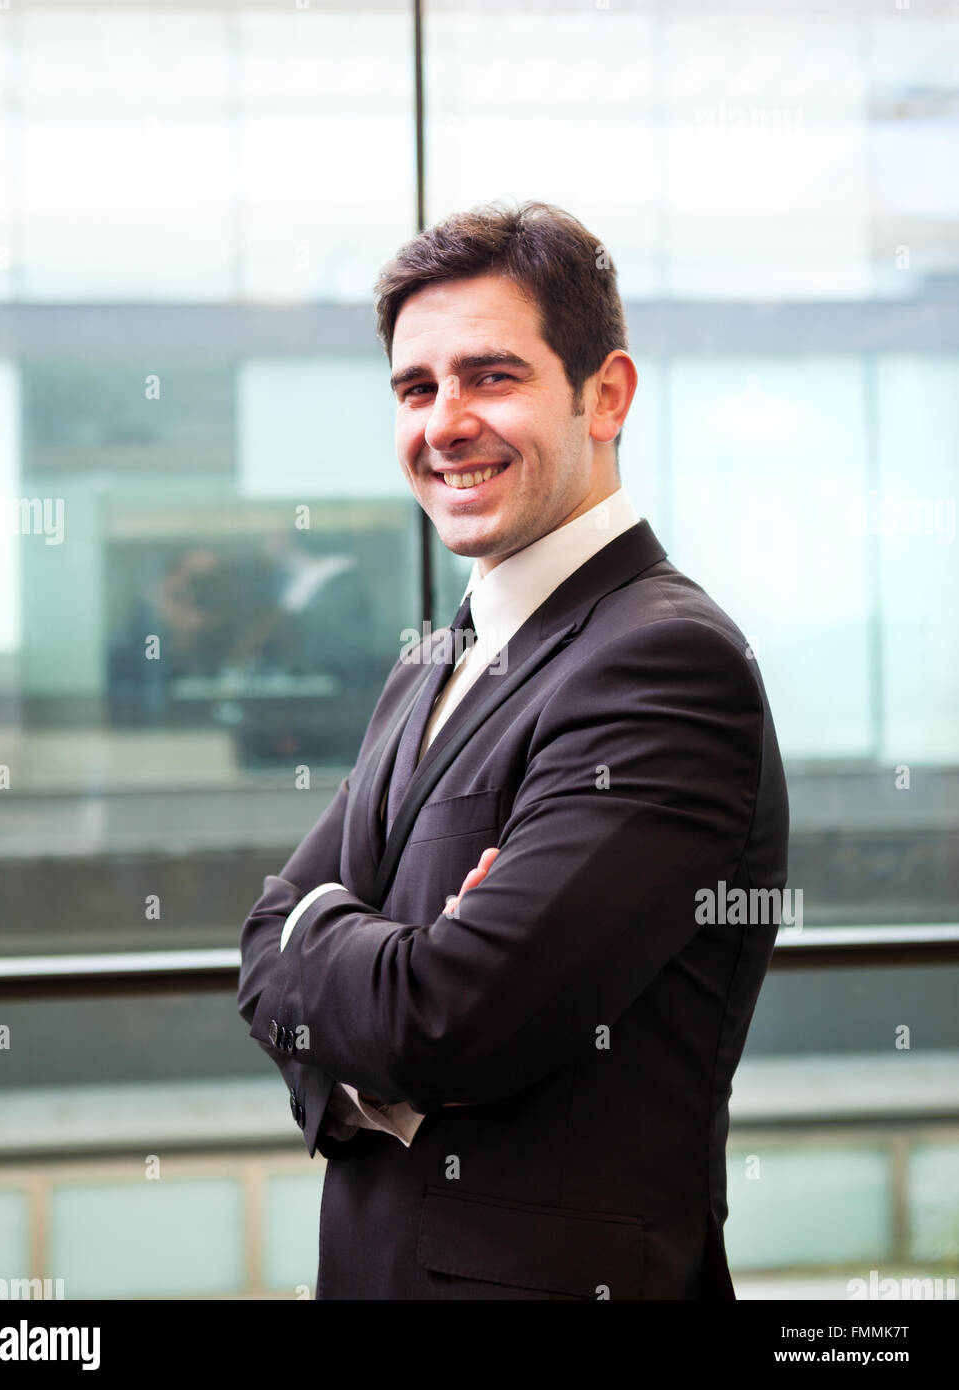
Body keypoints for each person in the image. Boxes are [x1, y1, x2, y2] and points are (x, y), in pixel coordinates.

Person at [237, 200, 789, 1299]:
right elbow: (262, 951)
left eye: (490, 377)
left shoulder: (663, 665)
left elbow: (444, 1018)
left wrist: (354, 958)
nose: (444, 422)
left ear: (606, 395)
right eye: (415, 387)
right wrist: (356, 958)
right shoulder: (435, 653)